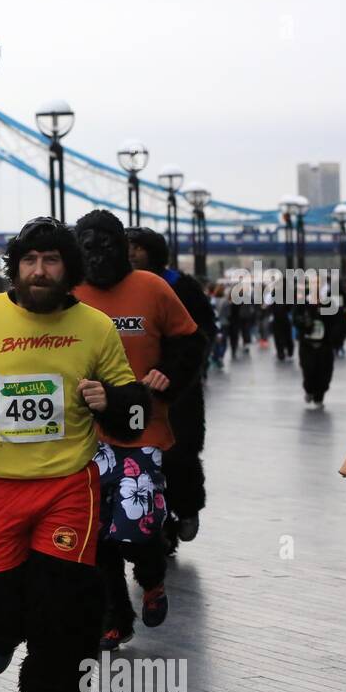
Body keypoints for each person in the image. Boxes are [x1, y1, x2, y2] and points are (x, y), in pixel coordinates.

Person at [0, 216, 148, 692]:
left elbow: (134, 410)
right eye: (30, 260)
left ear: (67, 268)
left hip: (68, 488)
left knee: (66, 610)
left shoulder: (96, 326)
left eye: (51, 260)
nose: (40, 270)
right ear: (16, 267)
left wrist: (114, 403)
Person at [73, 210, 205, 650]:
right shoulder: (69, 295)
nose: (98, 256)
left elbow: (191, 341)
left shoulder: (152, 288)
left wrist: (169, 373)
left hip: (141, 428)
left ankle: (151, 581)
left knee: (139, 525)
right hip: (85, 433)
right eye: (88, 248)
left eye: (106, 246)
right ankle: (116, 617)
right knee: (96, 534)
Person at [125, 227, 215, 549]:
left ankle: (187, 508)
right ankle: (155, 529)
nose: (132, 253)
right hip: (135, 389)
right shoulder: (117, 289)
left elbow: (202, 333)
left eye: (139, 247)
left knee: (180, 452)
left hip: (179, 389)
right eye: (128, 247)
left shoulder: (181, 286)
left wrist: (176, 370)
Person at [295, 271, 346, 407]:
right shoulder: (303, 301)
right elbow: (296, 317)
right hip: (307, 343)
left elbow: (339, 320)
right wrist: (305, 324)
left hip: (325, 344)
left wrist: (335, 337)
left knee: (325, 371)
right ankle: (309, 390)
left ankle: (320, 395)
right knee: (308, 369)